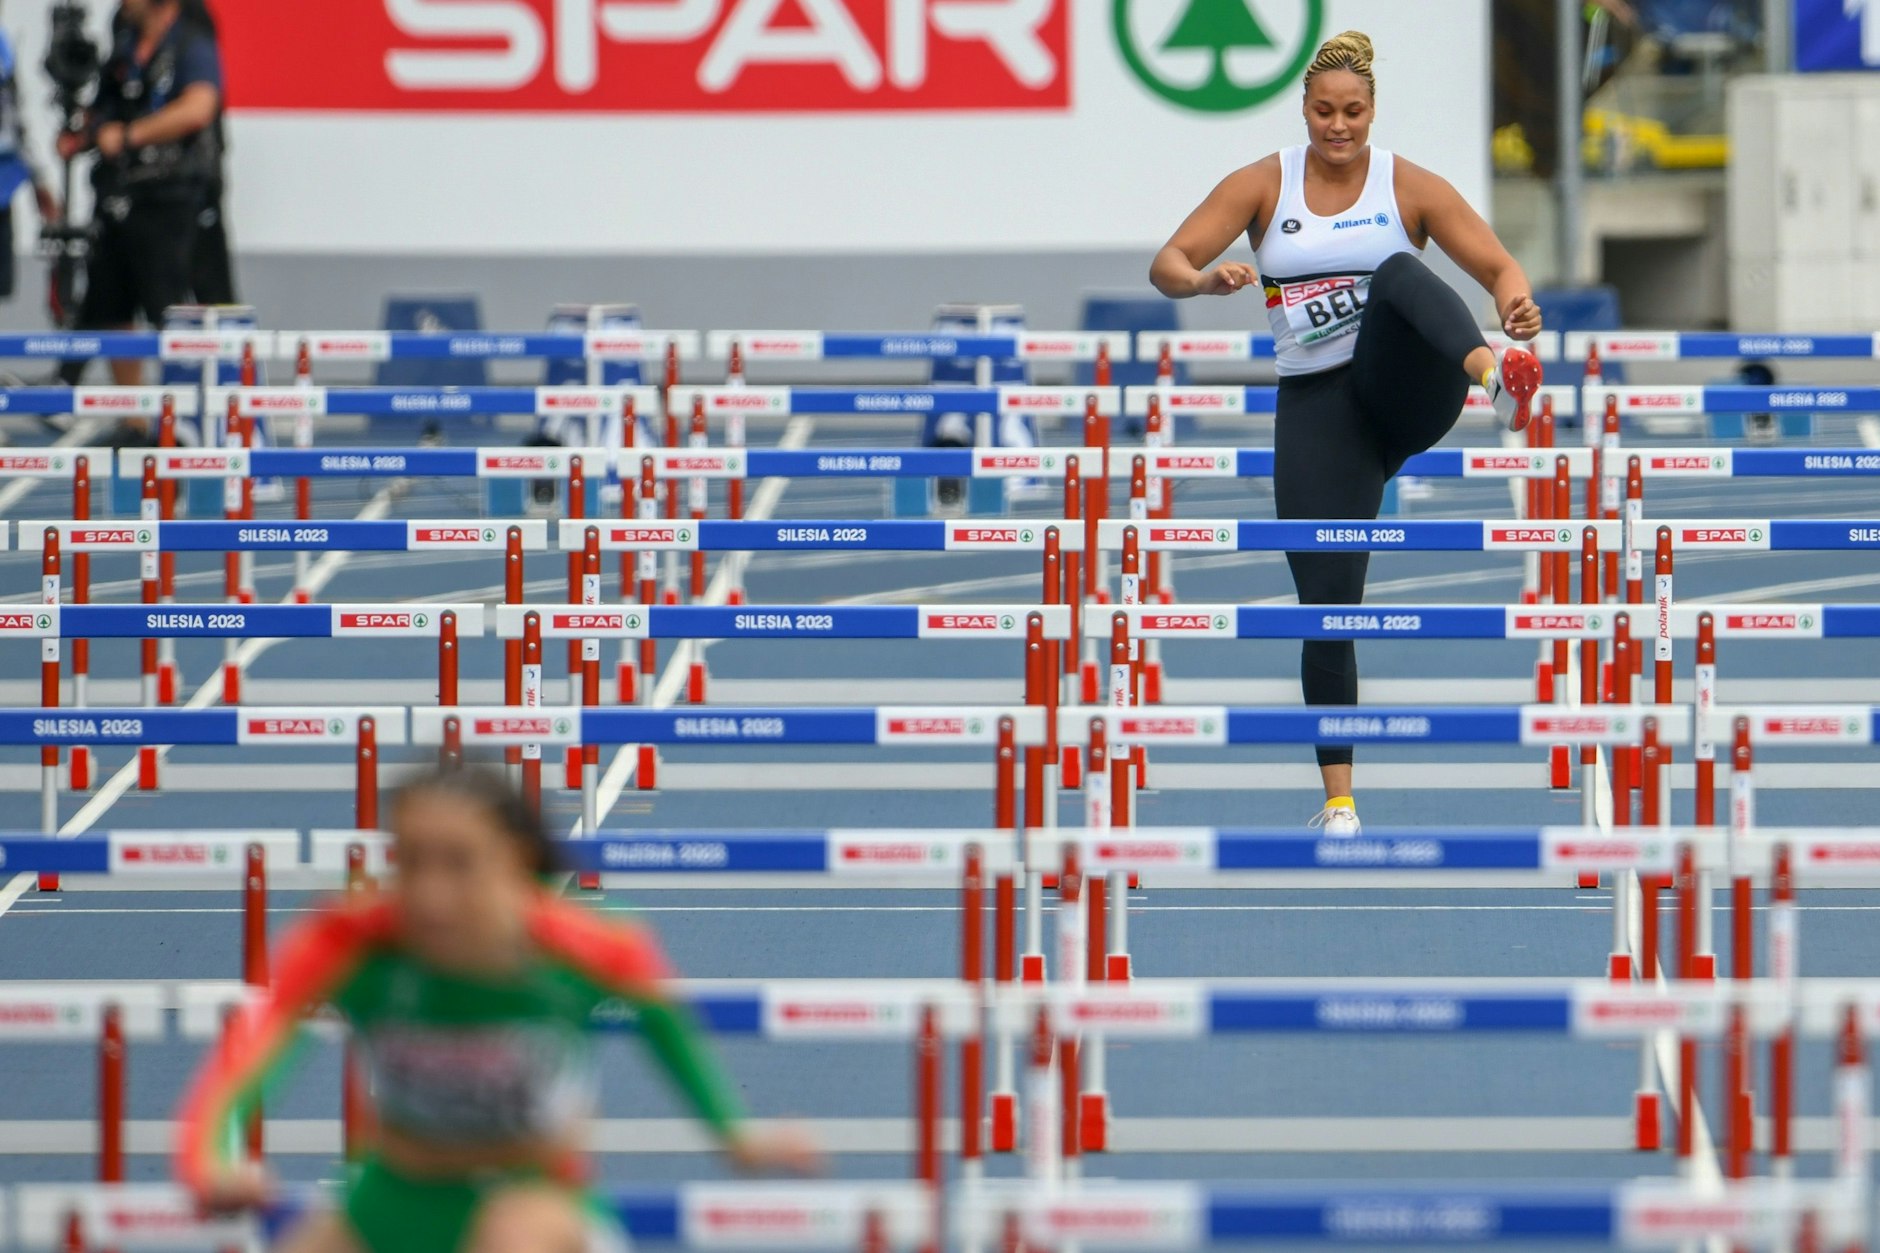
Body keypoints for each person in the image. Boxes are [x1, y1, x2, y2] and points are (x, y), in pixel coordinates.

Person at [1149, 30, 1542, 837]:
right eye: (1324, 111)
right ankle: (1340, 803)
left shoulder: (1408, 185)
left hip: (1407, 388)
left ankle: (1495, 378)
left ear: (1372, 110)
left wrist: (1514, 307)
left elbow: (1500, 268)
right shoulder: (1264, 184)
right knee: (1326, 607)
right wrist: (1203, 280)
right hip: (1318, 408)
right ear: (1304, 110)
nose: (1338, 126)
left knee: (1397, 271)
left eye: (1353, 112)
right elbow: (1169, 261)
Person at [175, 765, 819, 1253]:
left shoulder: (594, 945)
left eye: (460, 863)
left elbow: (667, 1029)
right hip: (391, 1201)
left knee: (510, 1239)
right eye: (410, 861)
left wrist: (736, 1134)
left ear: (516, 860)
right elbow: (246, 1063)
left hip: (534, 1196)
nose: (430, 894)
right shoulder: (348, 942)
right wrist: (208, 1163)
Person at [56, 0, 223, 389]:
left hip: (170, 201)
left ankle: (181, 411)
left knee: (170, 310)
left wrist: (130, 136)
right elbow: (108, 108)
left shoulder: (190, 41)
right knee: (112, 305)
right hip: (119, 196)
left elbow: (199, 108)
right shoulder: (124, 42)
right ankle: (134, 413)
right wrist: (85, 134)